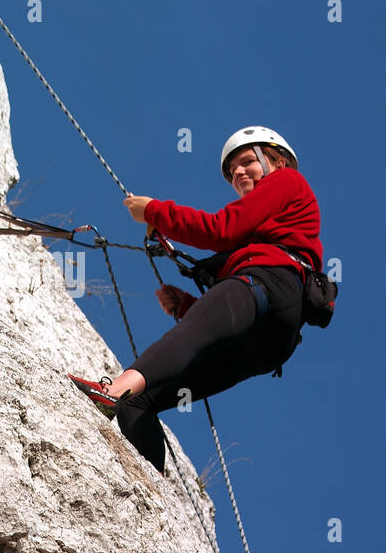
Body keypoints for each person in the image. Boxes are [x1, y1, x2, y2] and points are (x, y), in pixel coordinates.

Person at [68, 126, 320, 473]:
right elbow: (224, 314)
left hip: (271, 283)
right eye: (233, 172)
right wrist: (186, 305)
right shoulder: (263, 227)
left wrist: (155, 211)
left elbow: (221, 229)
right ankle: (153, 497)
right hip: (265, 342)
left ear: (276, 161)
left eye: (248, 162)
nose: (239, 173)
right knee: (139, 404)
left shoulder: (287, 181)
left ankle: (114, 388)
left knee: (143, 379)